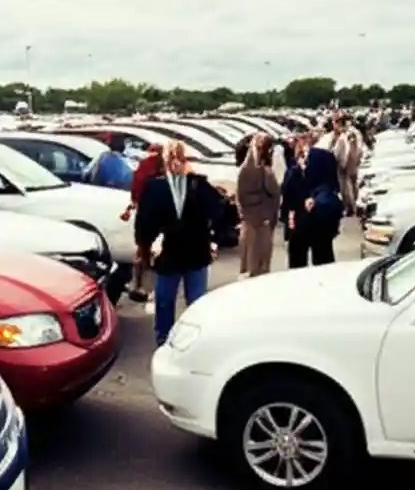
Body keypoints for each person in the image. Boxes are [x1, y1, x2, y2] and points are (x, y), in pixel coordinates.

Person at [134, 141, 224, 346]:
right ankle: (177, 337)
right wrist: (143, 244)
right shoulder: (164, 185)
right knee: (185, 300)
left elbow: (144, 220)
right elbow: (145, 220)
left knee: (177, 300)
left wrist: (143, 245)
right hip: (183, 250)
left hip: (179, 250)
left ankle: (168, 337)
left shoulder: (194, 184)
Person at [280, 130, 343, 268]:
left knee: (298, 260)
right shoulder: (327, 157)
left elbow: (287, 191)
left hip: (300, 218)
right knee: (323, 259)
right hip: (323, 219)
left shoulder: (295, 166)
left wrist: (286, 217)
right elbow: (334, 185)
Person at [121, 143, 163, 304]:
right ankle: (151, 285)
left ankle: (139, 285)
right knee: (157, 249)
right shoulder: (166, 167)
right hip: (161, 213)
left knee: (142, 249)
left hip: (145, 214)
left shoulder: (144, 167)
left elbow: (136, 189)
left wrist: (134, 203)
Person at [235, 133, 281, 277]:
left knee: (253, 265)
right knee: (258, 266)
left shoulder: (246, 171)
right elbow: (275, 195)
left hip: (254, 223)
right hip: (259, 224)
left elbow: (240, 199)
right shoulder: (261, 172)